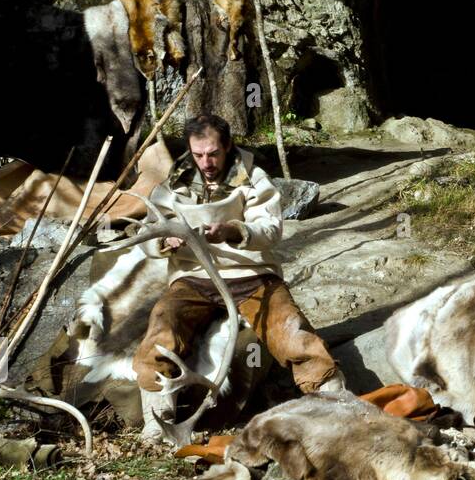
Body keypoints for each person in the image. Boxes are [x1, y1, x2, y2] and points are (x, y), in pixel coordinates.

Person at [132, 113, 343, 442]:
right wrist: (165, 241)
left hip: (250, 275)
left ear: (228, 146)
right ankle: (159, 415)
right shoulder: (175, 182)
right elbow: (147, 233)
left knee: (290, 330)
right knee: (163, 325)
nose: (207, 162)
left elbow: (271, 229)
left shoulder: (253, 177)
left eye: (213, 153)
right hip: (194, 278)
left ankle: (334, 400)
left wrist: (234, 230)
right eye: (198, 154)